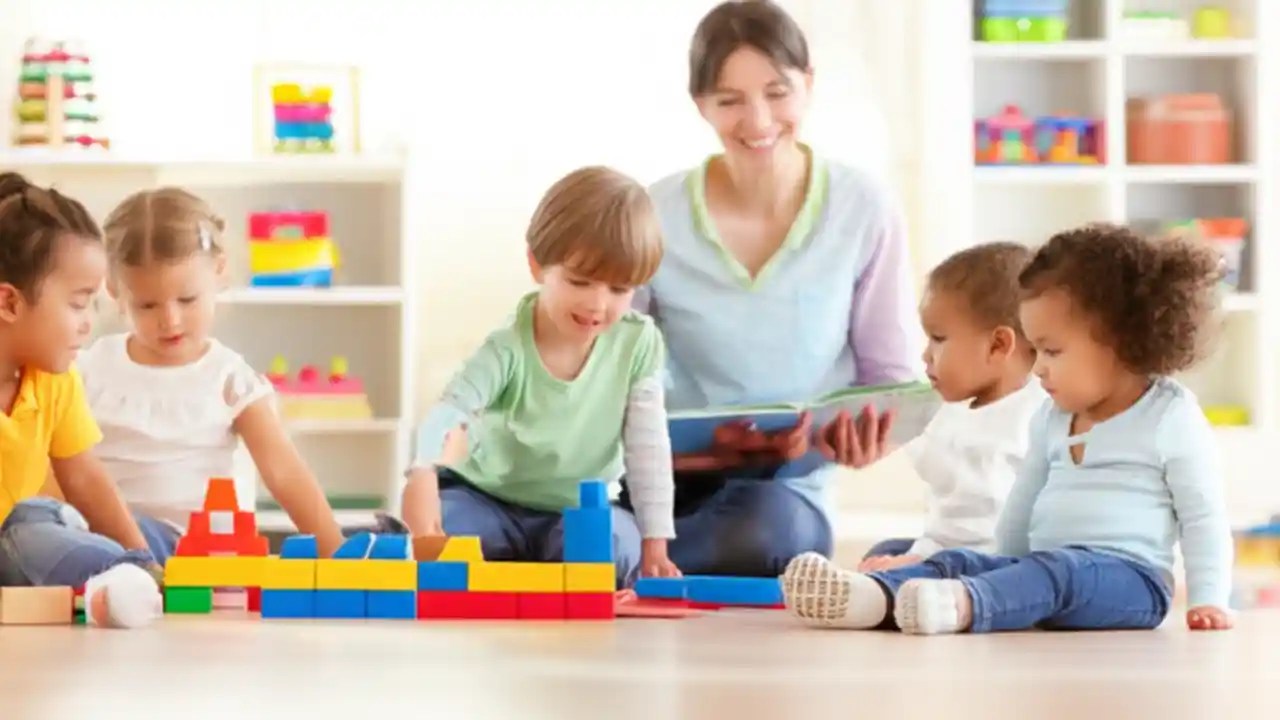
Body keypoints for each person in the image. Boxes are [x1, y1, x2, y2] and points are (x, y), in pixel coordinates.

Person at [782, 224, 1234, 634]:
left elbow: (1203, 516)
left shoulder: (1169, 416)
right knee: (960, 560)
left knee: (1058, 572)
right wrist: (997, 564)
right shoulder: (1053, 417)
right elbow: (1022, 502)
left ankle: (959, 605)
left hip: (1132, 580)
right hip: (1045, 564)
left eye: (1051, 352)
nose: (1037, 368)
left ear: (1119, 341)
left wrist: (1209, 598)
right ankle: (873, 597)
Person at [633, 0, 922, 576]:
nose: (759, 121)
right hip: (661, 481)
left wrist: (866, 439)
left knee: (766, 533)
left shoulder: (863, 207)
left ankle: (620, 565)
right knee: (575, 514)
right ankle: (629, 556)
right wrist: (699, 455)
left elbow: (891, 380)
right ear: (700, 105)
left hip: (783, 498)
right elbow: (609, 372)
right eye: (730, 101)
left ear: (808, 84)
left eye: (777, 92)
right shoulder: (652, 213)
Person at [403, 166, 679, 589]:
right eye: (579, 281)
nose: (597, 304)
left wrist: (655, 547)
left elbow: (649, 449)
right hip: (488, 501)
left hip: (578, 511)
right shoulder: (507, 347)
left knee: (612, 550)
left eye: (619, 289)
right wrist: (422, 474)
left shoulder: (638, 343)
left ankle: (531, 568)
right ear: (537, 265)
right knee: (452, 534)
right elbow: (451, 409)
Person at [75, 188, 346, 559]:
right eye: (148, 305)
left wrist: (337, 554)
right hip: (104, 537)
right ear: (113, 288)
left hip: (192, 549)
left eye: (187, 300)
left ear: (219, 270)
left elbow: (284, 472)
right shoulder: (90, 368)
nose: (170, 320)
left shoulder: (229, 379)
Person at [0, 172, 162, 628]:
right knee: (29, 539)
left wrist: (145, 557)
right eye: (77, 304)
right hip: (13, 544)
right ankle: (120, 577)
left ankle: (133, 572)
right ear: (9, 303)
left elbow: (86, 478)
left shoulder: (54, 378)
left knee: (139, 529)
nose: (88, 322)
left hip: (29, 523)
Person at [850, 242, 1046, 580]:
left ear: (998, 345)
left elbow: (990, 532)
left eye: (938, 339)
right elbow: (946, 521)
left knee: (903, 569)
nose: (926, 356)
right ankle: (895, 582)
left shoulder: (1036, 413)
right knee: (885, 550)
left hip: (997, 560)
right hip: (944, 548)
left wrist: (926, 560)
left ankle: (892, 587)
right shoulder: (946, 409)